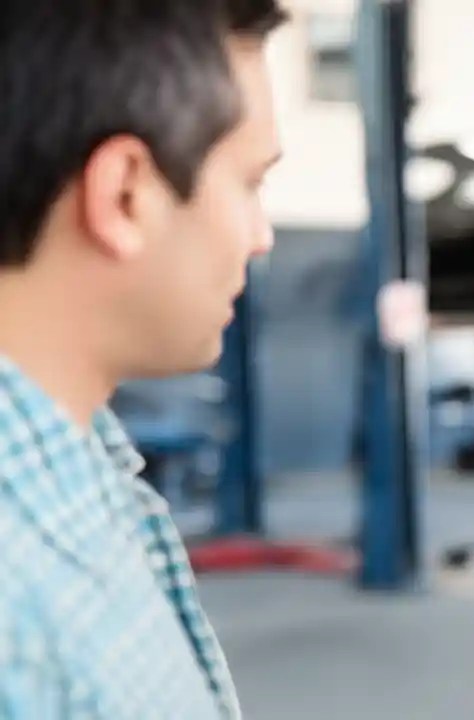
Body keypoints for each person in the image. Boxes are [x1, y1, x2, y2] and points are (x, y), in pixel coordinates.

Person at [0, 1, 285, 717]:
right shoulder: (18, 614)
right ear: (124, 194)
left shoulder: (86, 470)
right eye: (250, 184)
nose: (262, 237)